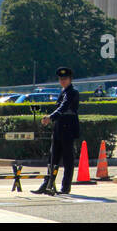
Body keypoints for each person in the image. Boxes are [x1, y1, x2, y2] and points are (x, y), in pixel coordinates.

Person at [33, 66, 80, 195]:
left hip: (68, 129)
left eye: (65, 79)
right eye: (61, 79)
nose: (62, 81)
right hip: (59, 129)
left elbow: (64, 107)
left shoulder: (72, 92)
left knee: (67, 160)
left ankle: (65, 187)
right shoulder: (63, 92)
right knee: (52, 158)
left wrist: (51, 117)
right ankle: (48, 184)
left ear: (70, 79)